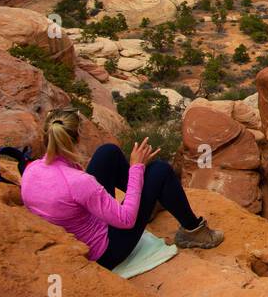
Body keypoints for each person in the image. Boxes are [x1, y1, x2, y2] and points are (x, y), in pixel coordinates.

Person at [20, 108, 223, 269]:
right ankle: (194, 232)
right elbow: (125, 220)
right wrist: (137, 168)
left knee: (108, 152)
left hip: (77, 224)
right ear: (77, 139)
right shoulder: (78, 182)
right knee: (160, 170)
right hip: (104, 250)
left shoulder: (32, 169)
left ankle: (148, 199)